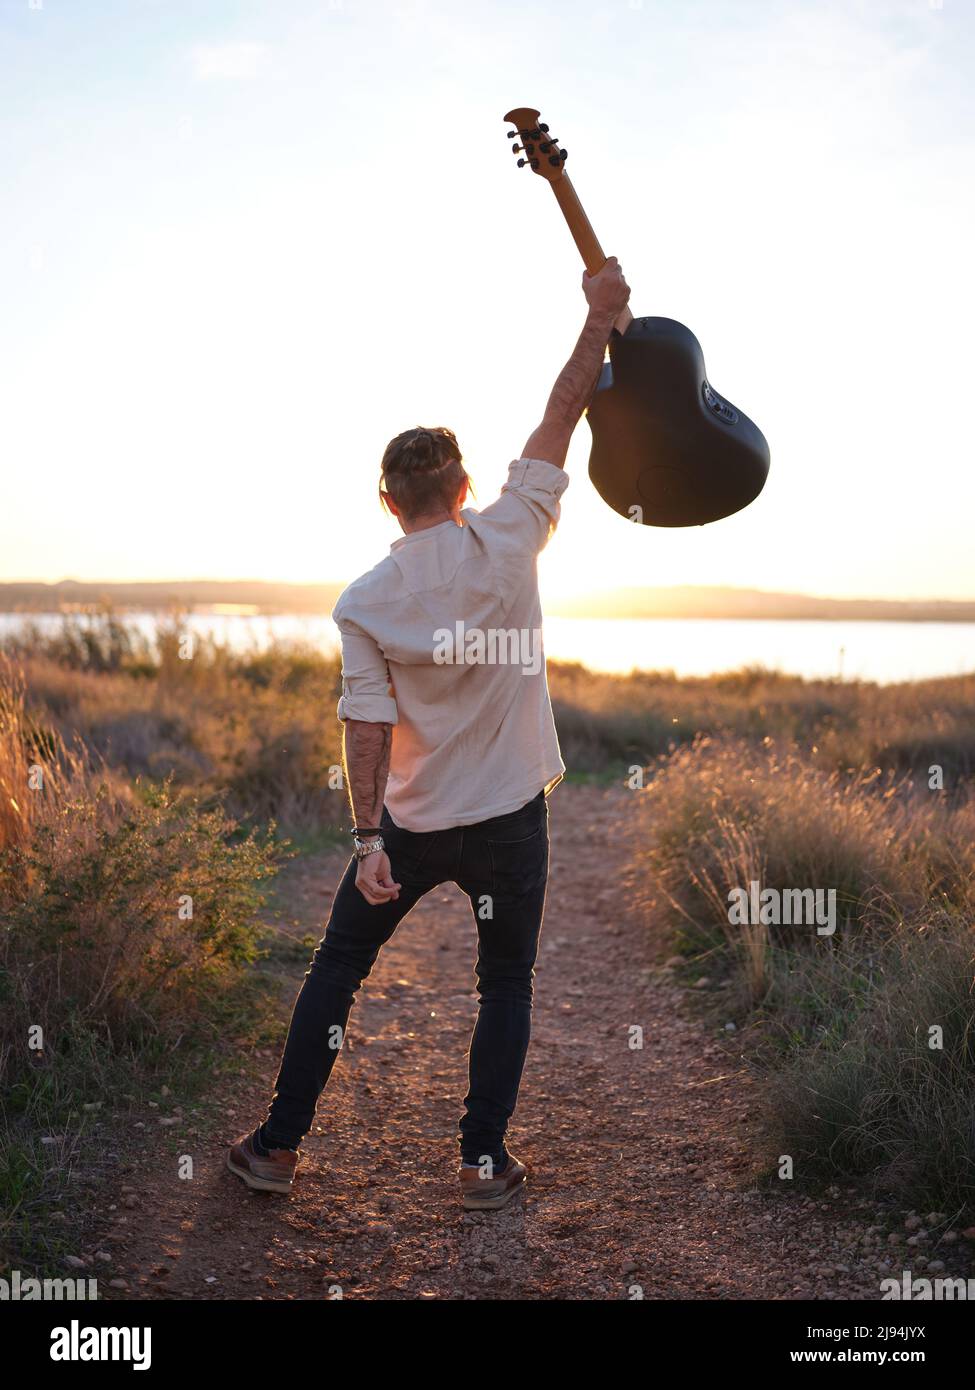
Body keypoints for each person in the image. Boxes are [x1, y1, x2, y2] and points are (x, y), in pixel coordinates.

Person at [229, 257, 631, 1210]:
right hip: (508, 822)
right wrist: (599, 317)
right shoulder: (513, 531)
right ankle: (481, 1163)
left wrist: (369, 842)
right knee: (505, 984)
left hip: (408, 827)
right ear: (460, 489)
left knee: (339, 969)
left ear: (386, 503)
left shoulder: (365, 601)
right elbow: (560, 411)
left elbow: (365, 726)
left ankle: (279, 1149)